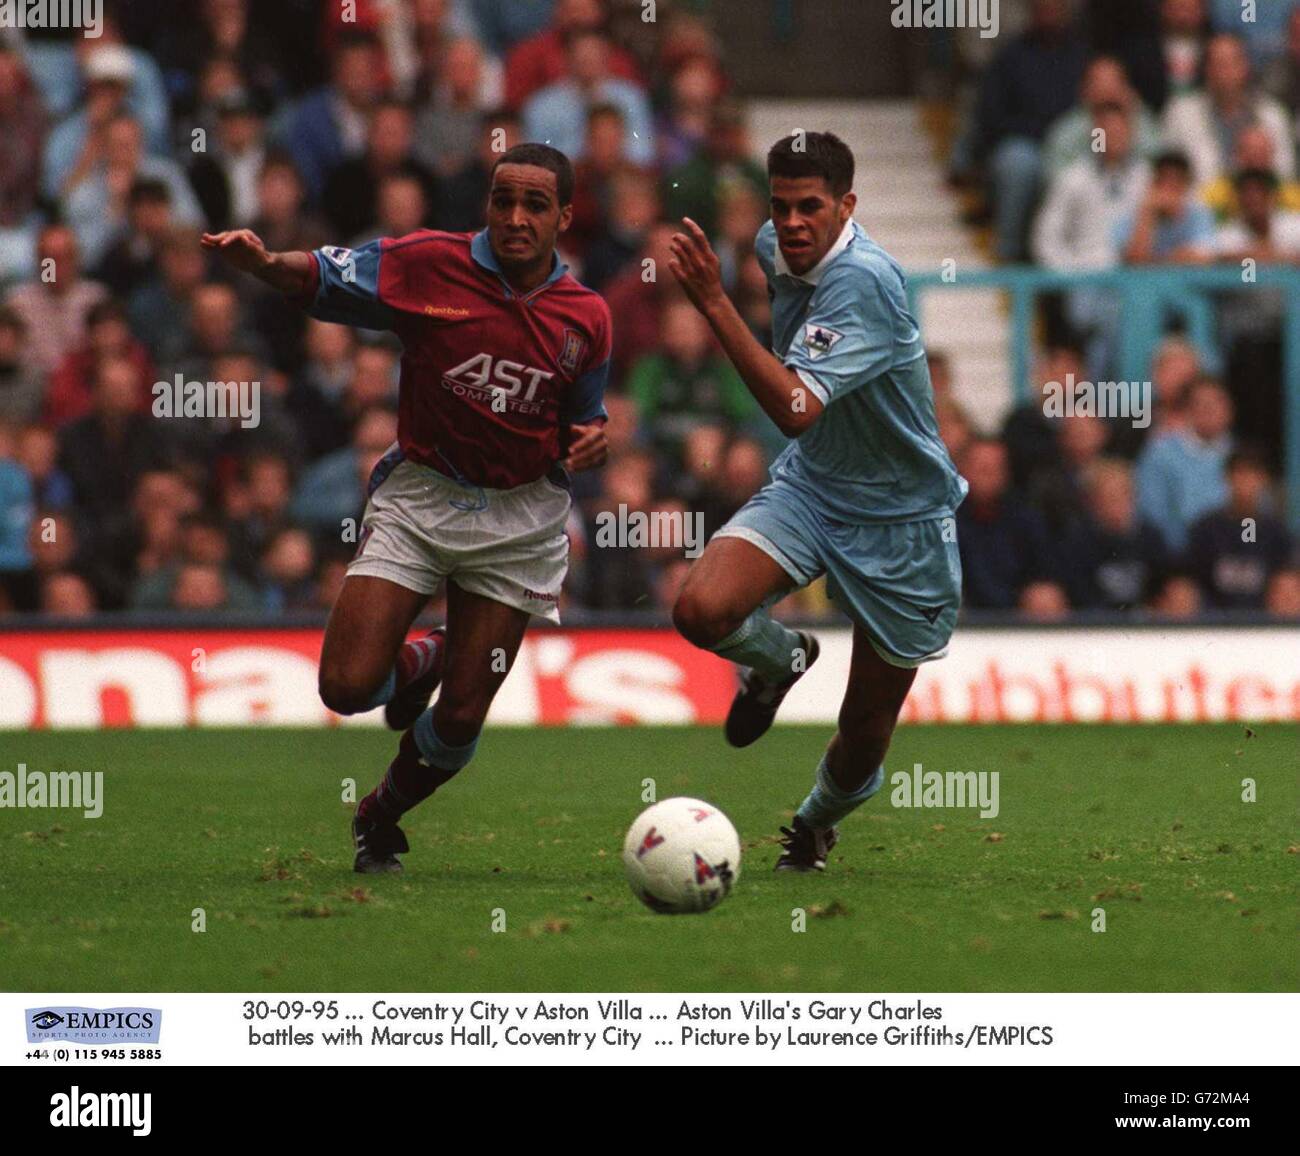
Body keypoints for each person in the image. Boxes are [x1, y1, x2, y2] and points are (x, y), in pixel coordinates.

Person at [202, 143, 611, 874]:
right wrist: (267, 266)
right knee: (346, 686)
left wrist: (594, 442)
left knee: (458, 719)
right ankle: (428, 652)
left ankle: (379, 816)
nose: (515, 218)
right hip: (422, 496)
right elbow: (329, 274)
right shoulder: (429, 263)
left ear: (565, 218)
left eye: (535, 205)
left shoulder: (587, 318)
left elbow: (586, 419)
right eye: (502, 200)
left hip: (519, 521)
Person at [666, 132, 966, 873]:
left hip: (902, 521)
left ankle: (813, 821)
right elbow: (806, 420)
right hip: (813, 486)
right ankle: (781, 659)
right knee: (699, 609)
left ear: (847, 206)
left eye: (811, 207)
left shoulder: (866, 279)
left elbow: (797, 404)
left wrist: (712, 303)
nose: (792, 222)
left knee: (863, 730)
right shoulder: (771, 245)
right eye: (781, 204)